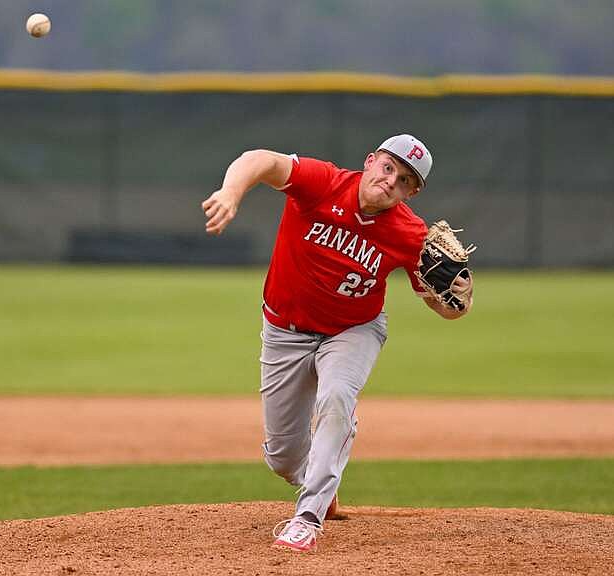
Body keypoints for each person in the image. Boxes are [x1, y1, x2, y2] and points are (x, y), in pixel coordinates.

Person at [201, 134, 474, 552]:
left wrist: (457, 305)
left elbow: (441, 306)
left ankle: (306, 518)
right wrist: (230, 192)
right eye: (387, 167)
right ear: (370, 161)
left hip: (354, 330)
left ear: (411, 192)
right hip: (284, 331)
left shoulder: (409, 233)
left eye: (403, 180)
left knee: (336, 397)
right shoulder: (322, 183)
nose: (389, 181)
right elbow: (258, 158)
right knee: (282, 456)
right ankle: (319, 481)